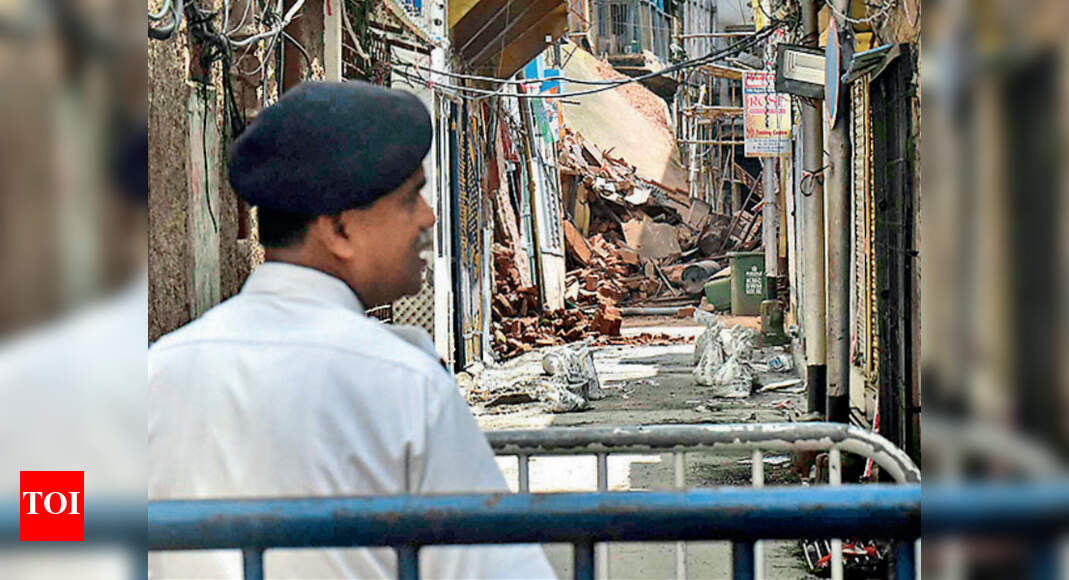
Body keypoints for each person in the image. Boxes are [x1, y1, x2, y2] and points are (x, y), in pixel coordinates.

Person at [148, 82, 556, 579]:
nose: (428, 216)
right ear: (339, 229)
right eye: (409, 199)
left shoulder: (155, 372)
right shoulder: (406, 385)